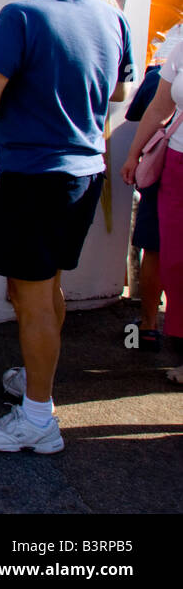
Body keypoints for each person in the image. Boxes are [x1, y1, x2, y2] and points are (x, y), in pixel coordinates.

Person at [0, 0, 133, 453]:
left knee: (31, 297)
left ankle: (38, 419)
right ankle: (37, 383)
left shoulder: (21, 15)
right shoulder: (112, 16)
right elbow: (120, 93)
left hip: (33, 176)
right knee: (45, 287)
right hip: (84, 173)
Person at [121, 33, 182, 384]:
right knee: (173, 260)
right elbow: (160, 106)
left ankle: (148, 327)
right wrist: (134, 153)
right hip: (176, 163)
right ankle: (156, 331)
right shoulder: (180, 48)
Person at [121, 61, 165, 353]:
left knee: (155, 247)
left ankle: (148, 326)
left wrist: (133, 156)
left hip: (169, 167)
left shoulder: (166, 69)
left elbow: (136, 111)